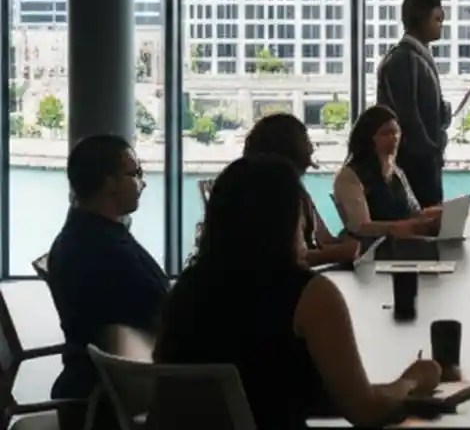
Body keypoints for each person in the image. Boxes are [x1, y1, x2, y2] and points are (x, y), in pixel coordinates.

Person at [155, 155, 442, 429]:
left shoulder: (185, 290)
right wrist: (413, 380)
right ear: (292, 218)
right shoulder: (309, 295)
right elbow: (365, 410)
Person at [48, 135, 168, 430]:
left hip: (92, 391)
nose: (143, 183)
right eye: (135, 173)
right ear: (109, 183)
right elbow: (164, 313)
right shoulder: (106, 252)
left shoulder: (84, 235)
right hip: (113, 405)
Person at [243, 113, 359, 267]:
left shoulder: (298, 191)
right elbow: (290, 258)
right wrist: (339, 252)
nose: (312, 149)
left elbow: (324, 239)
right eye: (306, 140)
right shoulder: (273, 196)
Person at [377, 0, 451, 209]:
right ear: (420, 20)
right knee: (424, 218)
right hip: (415, 164)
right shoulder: (403, 59)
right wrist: (431, 152)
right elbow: (407, 116)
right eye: (437, 19)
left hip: (422, 160)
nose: (441, 25)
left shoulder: (414, 56)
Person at [334, 105, 442, 237]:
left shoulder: (397, 172)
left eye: (396, 132)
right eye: (385, 133)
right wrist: (404, 227)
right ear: (368, 138)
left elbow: (413, 212)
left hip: (403, 242)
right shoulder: (349, 176)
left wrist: (439, 213)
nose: (394, 137)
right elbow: (361, 226)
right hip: (370, 245)